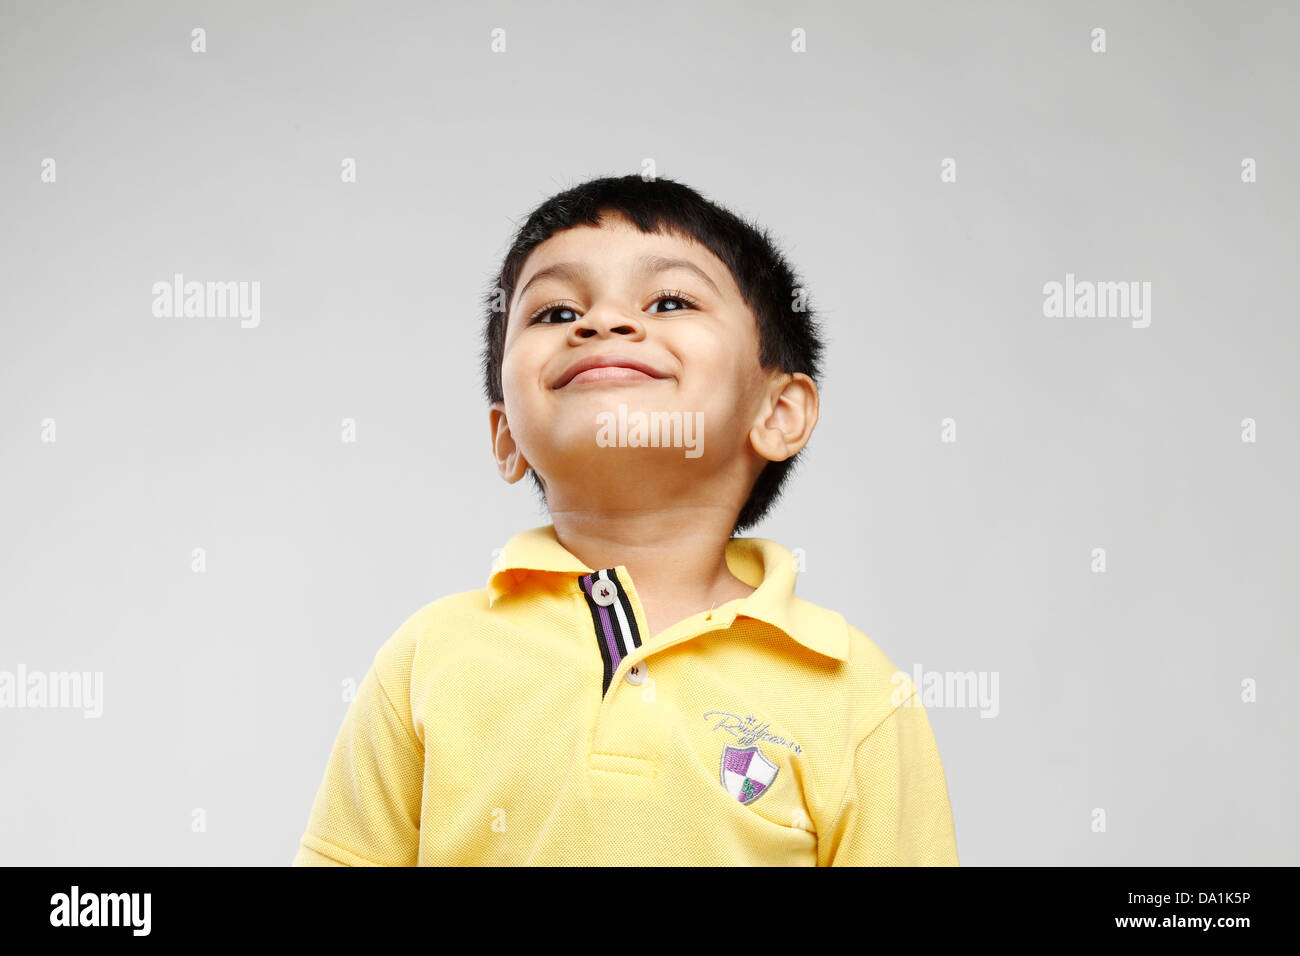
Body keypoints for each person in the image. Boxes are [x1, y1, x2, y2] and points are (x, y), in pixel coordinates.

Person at [292, 174, 958, 865]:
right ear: (506, 436)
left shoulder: (856, 691)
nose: (602, 322)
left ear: (777, 412)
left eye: (669, 301)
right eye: (553, 313)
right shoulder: (430, 656)